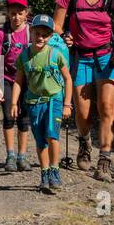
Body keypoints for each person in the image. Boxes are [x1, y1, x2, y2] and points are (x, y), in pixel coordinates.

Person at [53, 0, 114, 181]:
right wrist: (64, 36)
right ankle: (85, 142)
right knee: (83, 113)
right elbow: (56, 26)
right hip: (80, 57)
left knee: (107, 107)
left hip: (107, 57)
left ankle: (104, 159)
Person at [12, 14, 72, 194]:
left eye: (45, 35)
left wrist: (67, 104)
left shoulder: (55, 54)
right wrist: (14, 103)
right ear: (30, 32)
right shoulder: (24, 56)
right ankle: (44, 174)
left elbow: (68, 79)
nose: (40, 38)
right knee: (40, 140)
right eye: (37, 33)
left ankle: (55, 170)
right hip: (34, 102)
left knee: (52, 136)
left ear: (51, 36)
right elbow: (18, 81)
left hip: (54, 100)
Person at [0, 0, 32, 172]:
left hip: (27, 82)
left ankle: (22, 157)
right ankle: (10, 155)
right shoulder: (1, 35)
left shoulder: (32, 33)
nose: (16, 17)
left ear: (26, 13)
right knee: (9, 116)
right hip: (7, 80)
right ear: (7, 13)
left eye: (20, 13)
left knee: (24, 118)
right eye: (13, 13)